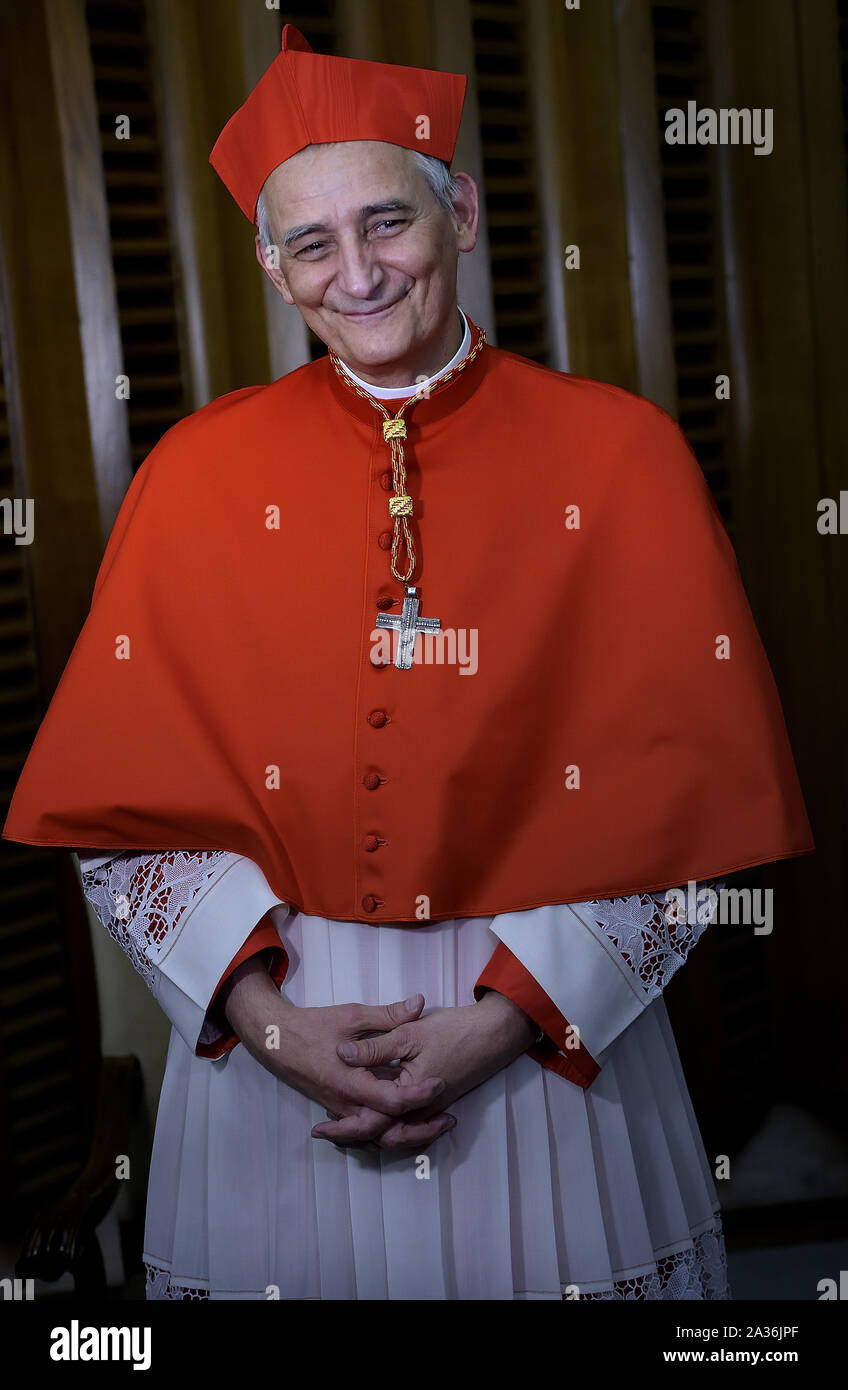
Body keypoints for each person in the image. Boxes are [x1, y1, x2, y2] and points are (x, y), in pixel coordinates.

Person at [3, 25, 813, 1301]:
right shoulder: (191, 478)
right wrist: (271, 1027)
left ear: (464, 215)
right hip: (280, 1047)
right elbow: (126, 822)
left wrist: (502, 1021)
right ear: (270, 266)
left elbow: (687, 812)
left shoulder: (621, 457)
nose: (358, 273)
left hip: (550, 1037)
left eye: (387, 223)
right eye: (311, 243)